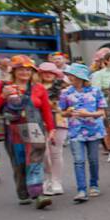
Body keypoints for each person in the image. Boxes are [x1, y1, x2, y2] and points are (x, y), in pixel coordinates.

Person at [0, 55, 55, 209]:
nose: (25, 73)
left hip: (34, 128)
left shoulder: (38, 88)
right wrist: (4, 96)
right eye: (21, 69)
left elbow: (46, 110)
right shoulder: (4, 85)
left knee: (35, 159)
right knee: (19, 163)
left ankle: (38, 194)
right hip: (13, 130)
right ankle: (23, 192)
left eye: (28, 70)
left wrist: (51, 129)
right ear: (14, 71)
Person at [58, 64, 107, 203]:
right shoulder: (65, 93)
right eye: (69, 75)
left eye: (72, 75)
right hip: (75, 131)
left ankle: (94, 184)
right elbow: (62, 112)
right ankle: (81, 190)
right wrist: (67, 112)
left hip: (94, 131)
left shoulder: (95, 91)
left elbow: (102, 112)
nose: (69, 77)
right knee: (78, 161)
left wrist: (89, 114)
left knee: (93, 160)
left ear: (80, 77)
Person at [38, 62, 68, 196]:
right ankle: (47, 179)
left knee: (56, 153)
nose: (48, 74)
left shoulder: (63, 88)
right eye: (45, 72)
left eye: (51, 72)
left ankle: (56, 181)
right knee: (43, 153)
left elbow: (65, 106)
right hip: (39, 121)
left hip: (58, 121)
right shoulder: (35, 87)